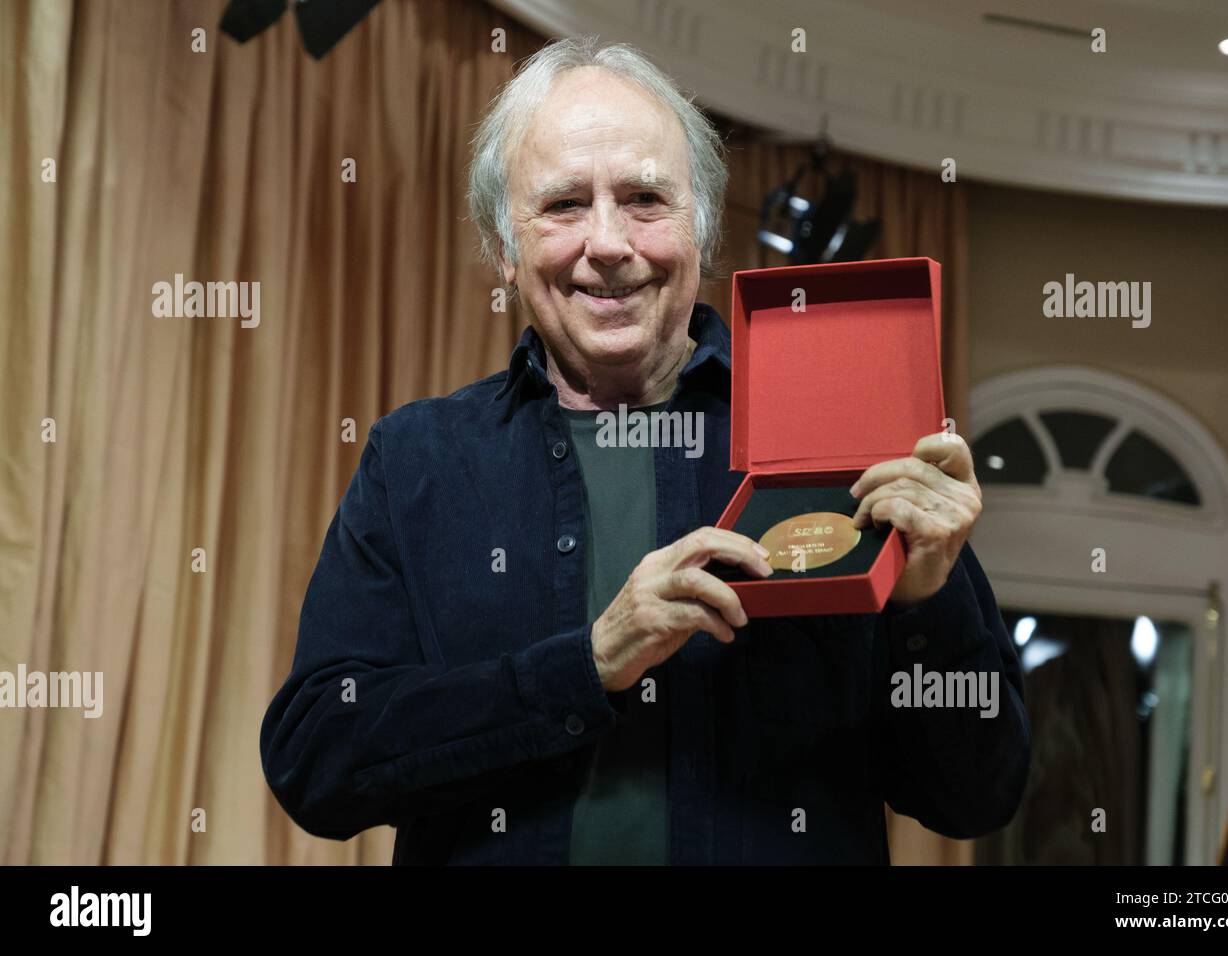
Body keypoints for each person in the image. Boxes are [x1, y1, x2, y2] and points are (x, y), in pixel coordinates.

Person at [260, 35, 1030, 865]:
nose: (608, 242)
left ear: (701, 231)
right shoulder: (418, 459)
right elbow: (316, 757)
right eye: (562, 205)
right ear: (504, 252)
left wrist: (925, 603)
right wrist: (588, 664)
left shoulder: (838, 443)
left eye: (644, 199)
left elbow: (975, 794)